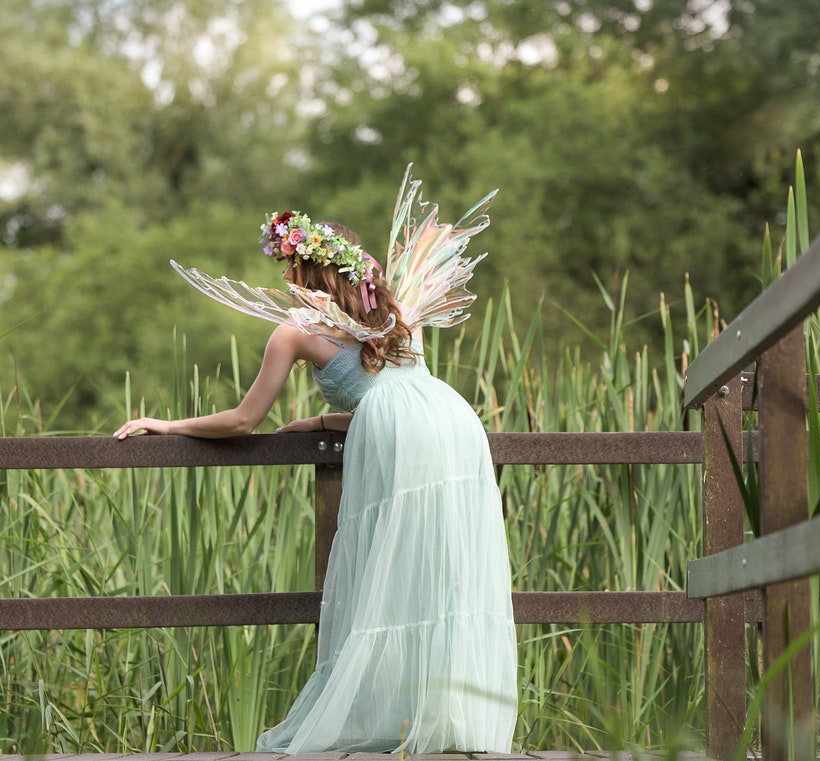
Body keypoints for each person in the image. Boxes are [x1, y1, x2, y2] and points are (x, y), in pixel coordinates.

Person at [114, 167, 518, 754]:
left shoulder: (295, 331)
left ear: (307, 271)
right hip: (453, 423)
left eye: (290, 271)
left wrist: (168, 423)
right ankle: (445, 719)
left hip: (396, 432)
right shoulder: (396, 313)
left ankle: (394, 717)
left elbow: (242, 421)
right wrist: (329, 421)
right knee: (444, 563)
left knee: (388, 565)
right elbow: (398, 392)